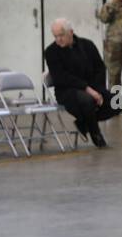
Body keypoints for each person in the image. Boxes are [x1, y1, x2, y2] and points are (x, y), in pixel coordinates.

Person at [44, 17, 117, 148]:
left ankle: (83, 123)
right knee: (87, 100)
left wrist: (98, 89)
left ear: (71, 32)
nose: (58, 40)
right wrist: (89, 90)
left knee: (119, 102)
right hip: (67, 91)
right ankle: (96, 134)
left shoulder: (87, 45)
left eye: (61, 35)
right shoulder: (51, 52)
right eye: (55, 36)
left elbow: (100, 68)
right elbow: (62, 78)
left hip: (92, 87)